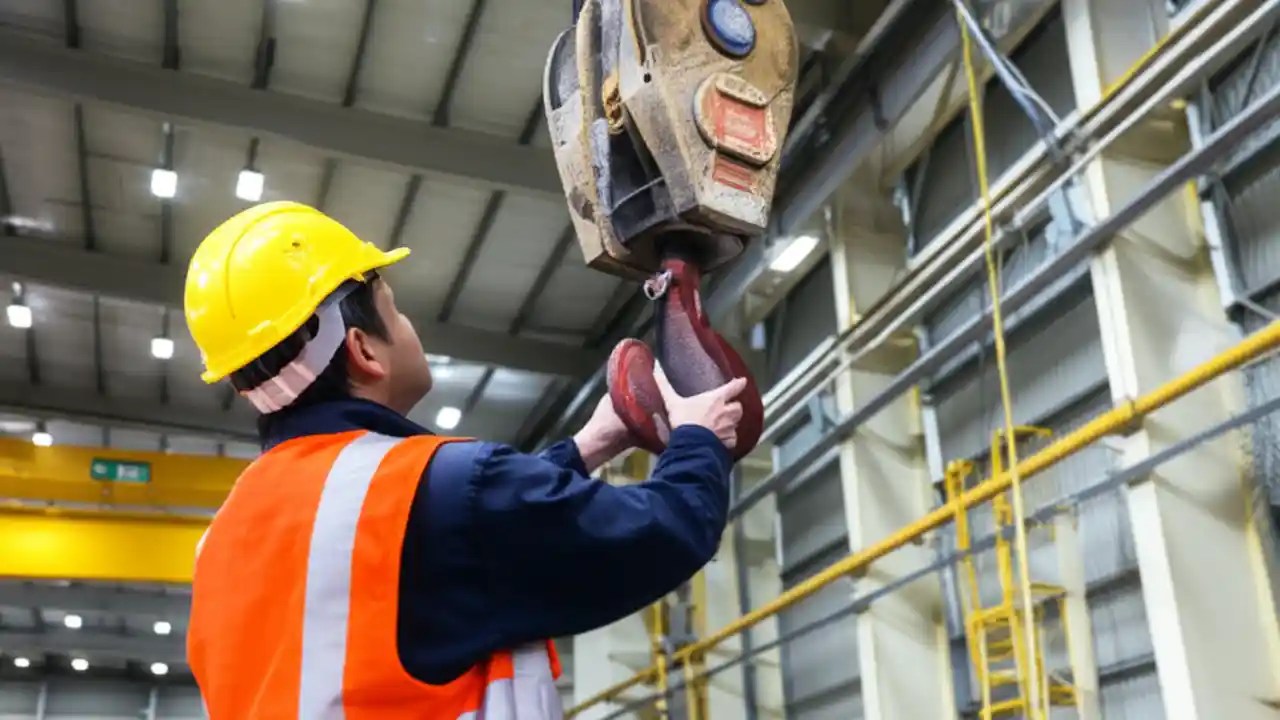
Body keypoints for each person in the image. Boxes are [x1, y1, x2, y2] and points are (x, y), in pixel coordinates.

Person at [183, 201, 746, 719]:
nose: (409, 327)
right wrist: (698, 438)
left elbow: (454, 559)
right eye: (395, 310)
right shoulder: (427, 487)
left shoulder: (223, 543)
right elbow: (666, 533)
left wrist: (588, 445)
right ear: (362, 349)